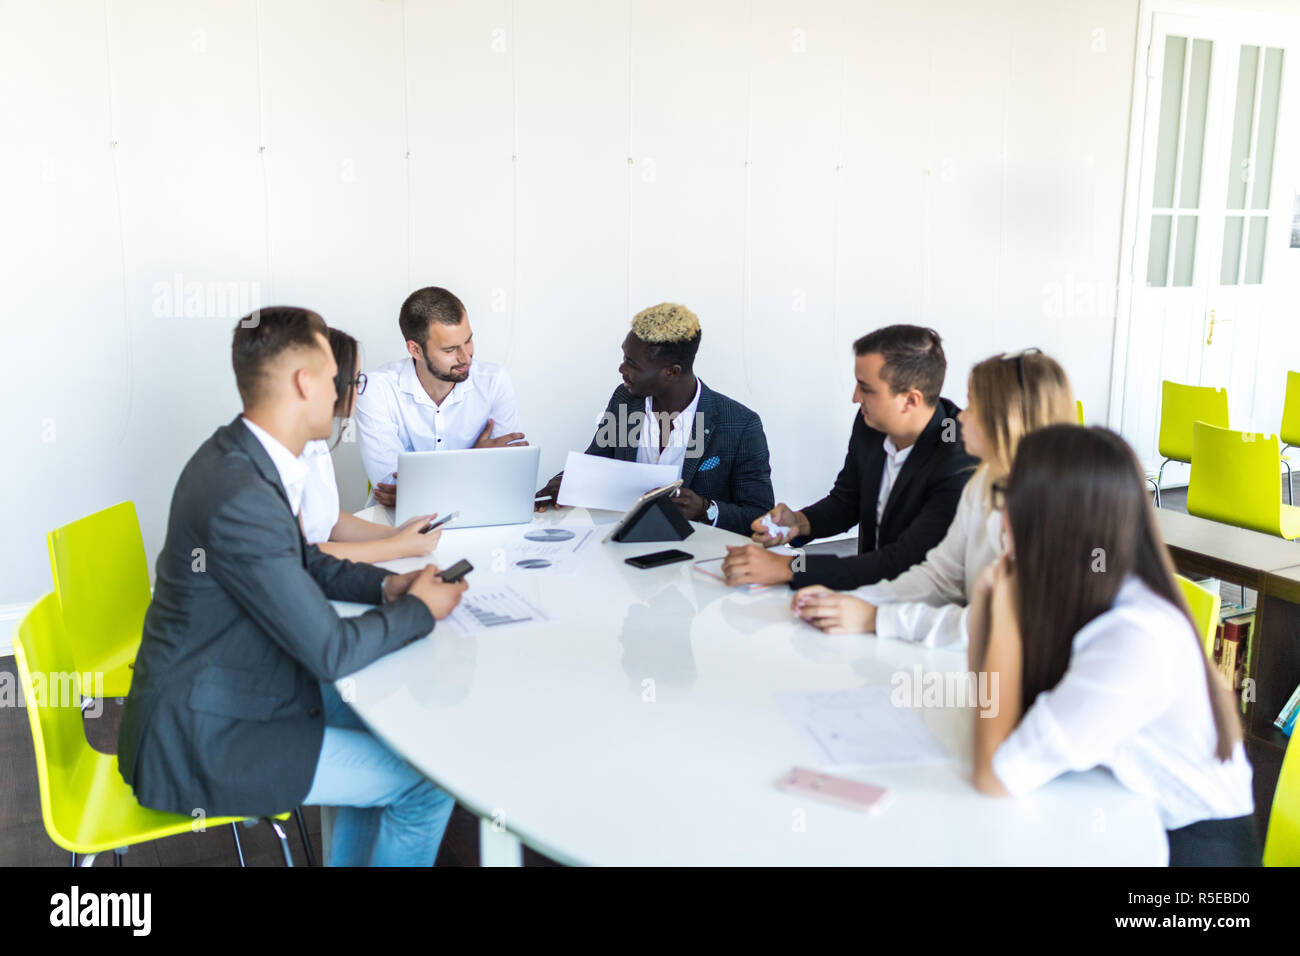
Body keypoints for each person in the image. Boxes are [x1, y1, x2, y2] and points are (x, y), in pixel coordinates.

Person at [118, 306, 469, 866]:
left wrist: (390, 587)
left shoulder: (240, 455)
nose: (346, 388)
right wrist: (422, 608)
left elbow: (304, 559)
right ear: (306, 383)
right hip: (205, 736)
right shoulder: (241, 495)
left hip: (239, 686)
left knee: (395, 729)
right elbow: (331, 650)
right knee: (424, 782)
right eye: (336, 374)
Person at [970, 425, 1258, 867]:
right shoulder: (1088, 585)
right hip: (1123, 809)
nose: (1000, 512)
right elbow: (986, 704)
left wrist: (1006, 615)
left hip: (1190, 850)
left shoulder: (1135, 637)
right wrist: (988, 604)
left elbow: (995, 774)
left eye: (1010, 493)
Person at [791, 349, 1075, 646]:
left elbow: (993, 625)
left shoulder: (1057, 511)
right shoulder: (982, 485)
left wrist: (874, 618)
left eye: (973, 405)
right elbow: (940, 577)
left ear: (1006, 420)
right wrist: (848, 600)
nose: (961, 416)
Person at [722, 325, 976, 589]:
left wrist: (789, 567)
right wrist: (798, 523)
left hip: (918, 606)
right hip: (867, 593)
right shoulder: (871, 425)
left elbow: (902, 560)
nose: (855, 398)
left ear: (910, 400)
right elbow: (848, 501)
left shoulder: (958, 457)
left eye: (866, 388)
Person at [534, 303, 774, 535]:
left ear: (672, 372)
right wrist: (566, 483)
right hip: (622, 546)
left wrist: (705, 509)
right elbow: (598, 461)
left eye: (631, 363)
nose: (621, 369)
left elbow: (760, 515)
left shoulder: (741, 424)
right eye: (624, 357)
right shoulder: (624, 401)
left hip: (697, 558)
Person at [354, 286, 526, 508]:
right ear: (415, 350)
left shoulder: (494, 381)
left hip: (479, 513)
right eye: (450, 350)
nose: (466, 357)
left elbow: (508, 475)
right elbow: (391, 486)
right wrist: (476, 460)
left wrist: (419, 488)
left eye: (468, 341)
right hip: (396, 527)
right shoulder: (374, 389)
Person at [299, 328, 445, 562]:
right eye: (355, 380)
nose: (359, 389)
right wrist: (399, 546)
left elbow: (327, 520)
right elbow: (301, 553)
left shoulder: (314, 443)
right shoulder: (287, 452)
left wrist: (396, 533)